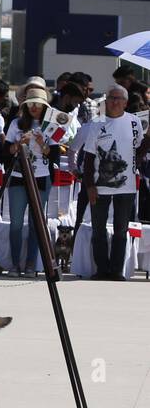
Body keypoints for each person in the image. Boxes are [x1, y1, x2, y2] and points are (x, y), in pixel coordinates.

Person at [85, 84, 144, 280]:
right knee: (98, 229)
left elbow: (139, 152)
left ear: (126, 103)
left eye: (119, 98)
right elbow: (88, 158)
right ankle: (102, 269)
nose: (115, 101)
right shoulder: (97, 123)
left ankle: (116, 270)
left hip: (125, 187)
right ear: (106, 100)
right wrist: (89, 186)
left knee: (121, 230)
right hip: (99, 186)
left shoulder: (135, 122)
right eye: (111, 97)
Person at [4, 88, 55, 274]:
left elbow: (55, 154)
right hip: (18, 177)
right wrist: (20, 144)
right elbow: (6, 150)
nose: (34, 107)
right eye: (31, 103)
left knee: (36, 224)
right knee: (16, 223)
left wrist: (42, 144)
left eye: (38, 104)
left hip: (41, 177)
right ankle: (15, 263)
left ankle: (31, 263)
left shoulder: (50, 125)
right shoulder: (16, 123)